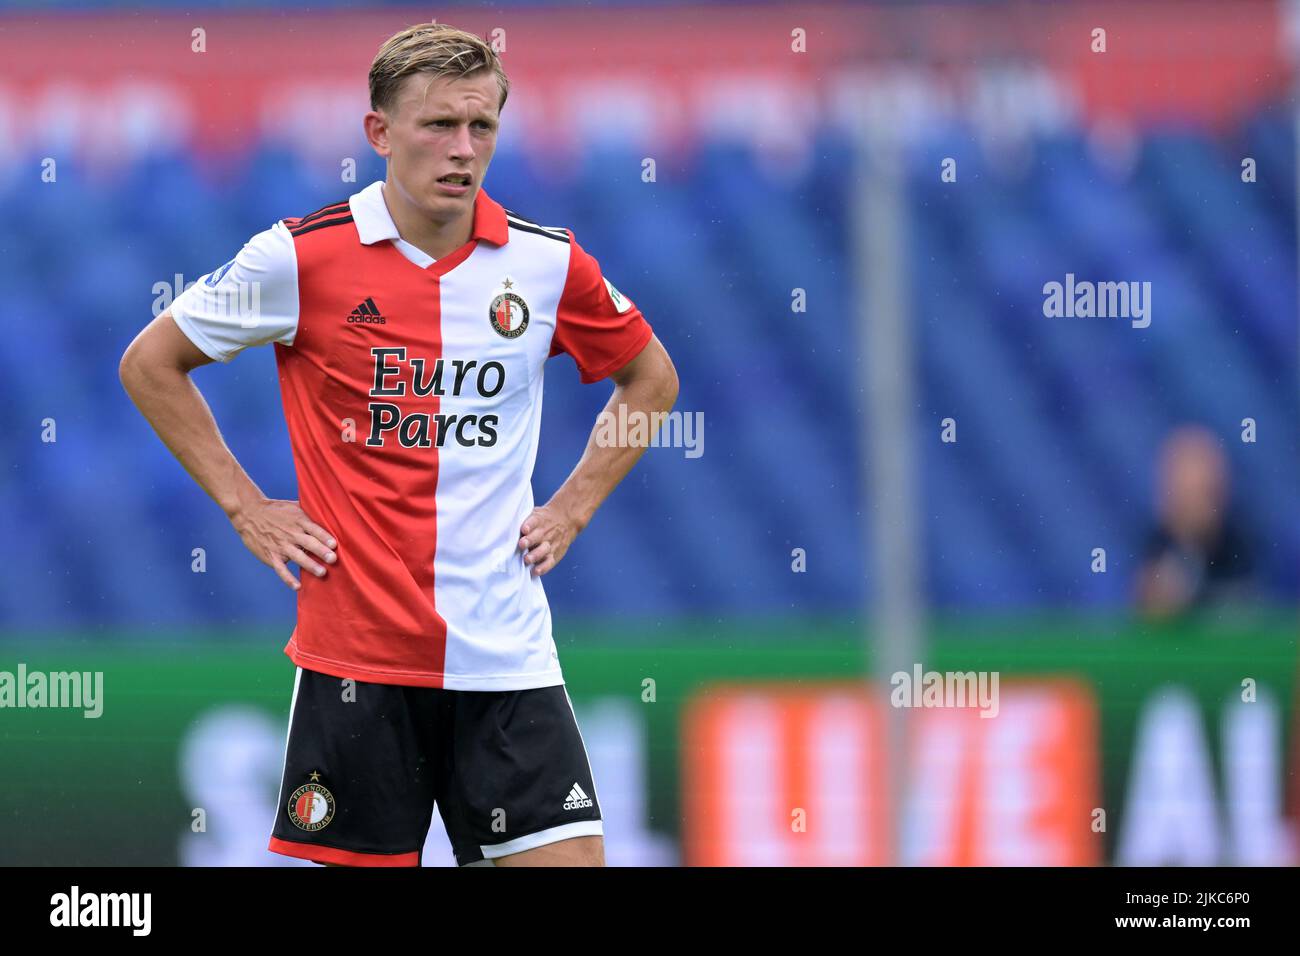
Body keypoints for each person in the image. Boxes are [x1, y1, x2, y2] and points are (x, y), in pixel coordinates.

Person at [119, 22, 678, 867]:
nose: (463, 150)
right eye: (438, 126)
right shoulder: (300, 258)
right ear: (379, 132)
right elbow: (152, 363)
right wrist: (247, 507)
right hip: (360, 666)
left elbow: (652, 380)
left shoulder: (545, 266)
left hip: (508, 660)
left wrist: (573, 506)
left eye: (481, 127)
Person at [1135, 425, 1255, 618]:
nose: (1195, 503)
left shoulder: (1243, 545)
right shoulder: (1155, 546)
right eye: (1186, 490)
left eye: (1202, 491)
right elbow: (1148, 614)